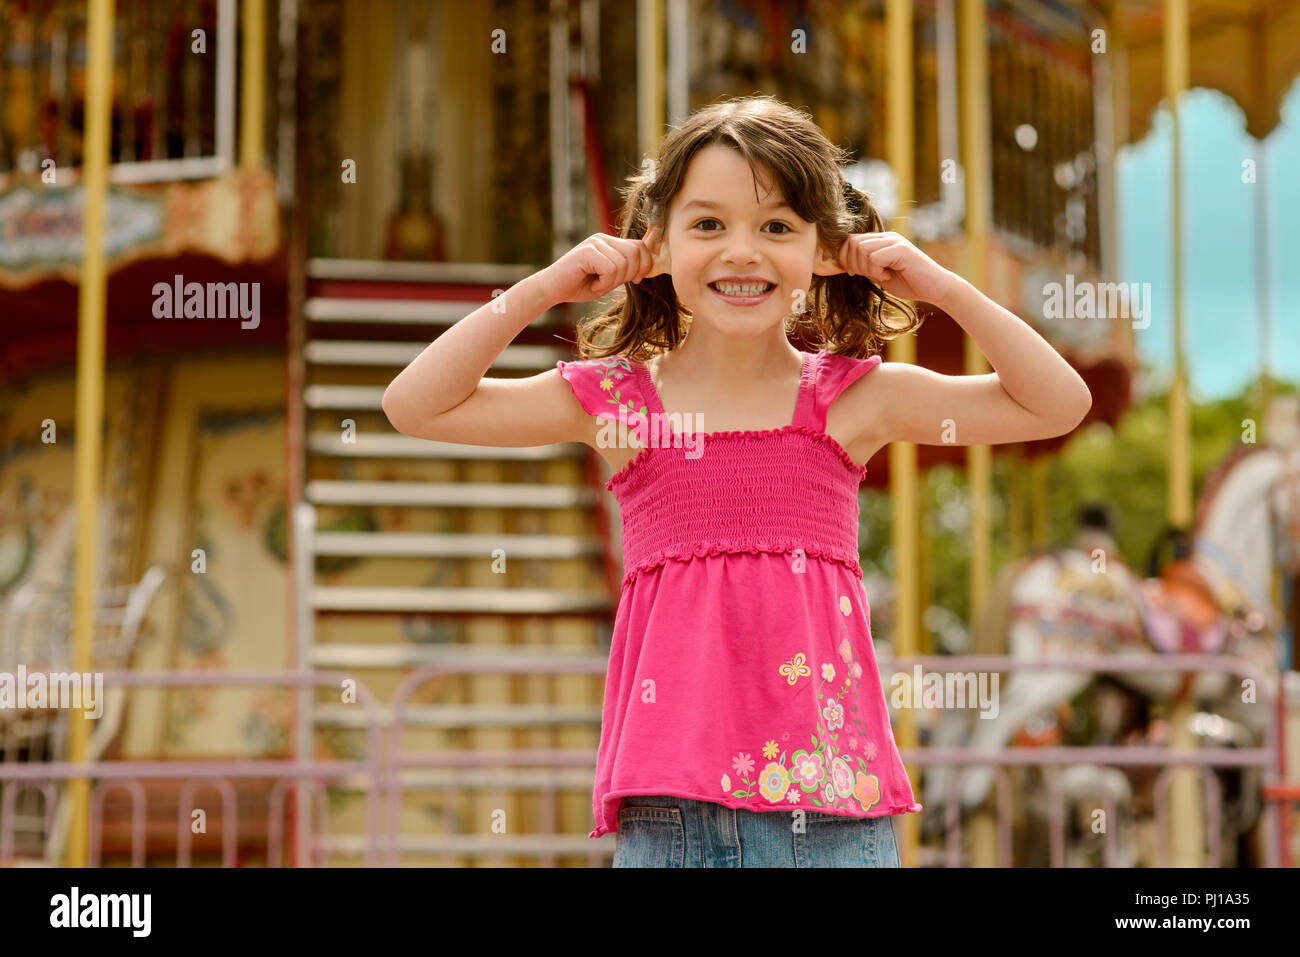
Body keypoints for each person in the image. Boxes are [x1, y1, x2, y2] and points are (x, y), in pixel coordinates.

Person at [381, 95, 1093, 867]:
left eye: (777, 226)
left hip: (831, 811)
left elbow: (1057, 402)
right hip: (670, 815)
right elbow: (415, 403)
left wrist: (943, 287)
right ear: (657, 244)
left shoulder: (853, 399)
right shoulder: (619, 403)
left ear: (824, 250)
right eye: (708, 224)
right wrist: (544, 289)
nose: (742, 252)